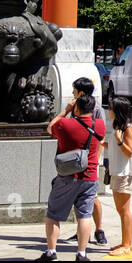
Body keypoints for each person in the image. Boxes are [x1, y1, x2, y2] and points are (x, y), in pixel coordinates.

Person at [41, 93, 106, 261]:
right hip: (90, 176)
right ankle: (81, 253)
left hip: (67, 176)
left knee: (54, 214)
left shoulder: (65, 124)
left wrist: (65, 111)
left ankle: (51, 252)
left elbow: (50, 128)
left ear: (77, 108)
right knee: (84, 215)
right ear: (93, 109)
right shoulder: (99, 125)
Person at [51, 77, 109, 247]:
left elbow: (100, 137)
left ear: (81, 92)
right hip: (73, 161)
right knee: (83, 201)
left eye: (74, 90)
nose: (72, 93)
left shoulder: (95, 109)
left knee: (93, 198)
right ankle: (81, 234)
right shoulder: (76, 107)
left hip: (89, 161)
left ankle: (99, 230)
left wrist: (96, 160)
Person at [106, 96, 132, 256]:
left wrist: (119, 141)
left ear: (118, 111)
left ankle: (126, 245)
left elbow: (129, 151)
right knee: (122, 210)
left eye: (111, 108)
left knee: (124, 210)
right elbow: (115, 147)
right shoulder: (118, 126)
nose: (109, 110)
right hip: (118, 171)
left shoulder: (127, 128)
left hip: (125, 173)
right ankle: (126, 241)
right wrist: (104, 143)